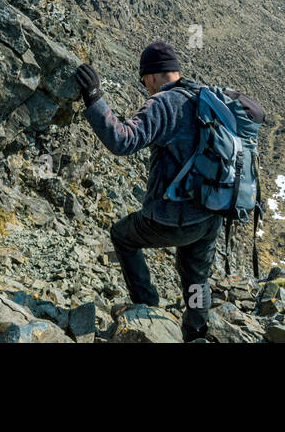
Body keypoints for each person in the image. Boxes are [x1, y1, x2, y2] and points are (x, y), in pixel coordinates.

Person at [74, 41, 264, 341]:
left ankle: (147, 305)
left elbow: (123, 141)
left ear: (151, 76)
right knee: (196, 277)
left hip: (173, 219)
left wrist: (94, 97)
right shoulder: (203, 96)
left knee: (122, 236)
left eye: (143, 82)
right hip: (211, 213)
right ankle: (196, 330)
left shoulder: (164, 104)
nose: (145, 88)